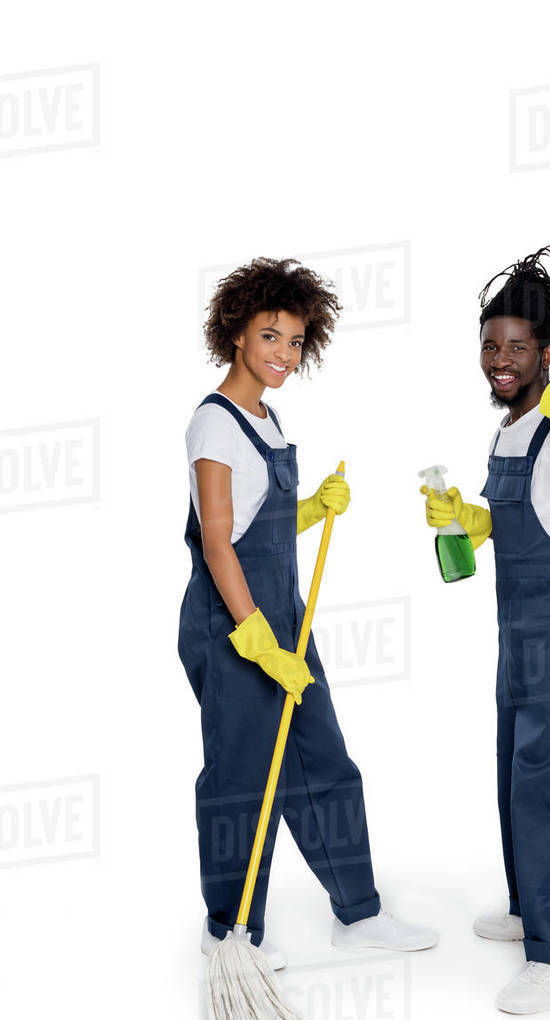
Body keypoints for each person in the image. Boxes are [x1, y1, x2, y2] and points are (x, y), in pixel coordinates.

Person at [179, 256, 436, 967]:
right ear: (236, 332)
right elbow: (216, 542)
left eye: (295, 341)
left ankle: (357, 913)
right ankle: (227, 932)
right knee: (242, 776)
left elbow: (258, 525)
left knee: (320, 758)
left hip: (281, 618)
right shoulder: (215, 425)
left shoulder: (267, 414)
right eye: (270, 337)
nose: (283, 355)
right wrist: (257, 643)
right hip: (231, 625)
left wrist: (312, 508)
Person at [421, 245, 550, 1014]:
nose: (500, 361)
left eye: (516, 348)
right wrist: (467, 521)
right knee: (517, 770)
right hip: (518, 629)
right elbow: (518, 521)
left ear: (548, 351)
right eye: (490, 346)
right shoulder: (507, 427)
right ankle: (529, 908)